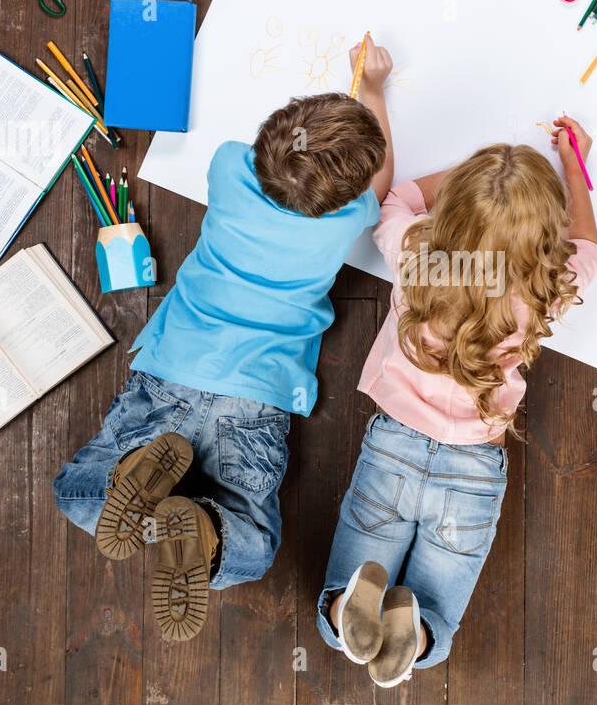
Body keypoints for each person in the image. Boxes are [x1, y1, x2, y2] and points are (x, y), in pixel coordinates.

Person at [54, 39, 395, 641]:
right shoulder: (349, 217)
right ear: (346, 198)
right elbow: (384, 177)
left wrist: (333, 113)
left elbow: (294, 153)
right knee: (250, 547)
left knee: (80, 495)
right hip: (255, 400)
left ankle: (158, 496)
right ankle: (201, 528)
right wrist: (372, 88)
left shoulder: (230, 164)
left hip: (175, 371)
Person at [316, 118, 597, 685]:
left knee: (343, 593)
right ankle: (415, 635)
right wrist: (571, 165)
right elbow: (589, 245)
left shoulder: (418, 254)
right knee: (439, 614)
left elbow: (398, 195)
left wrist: (481, 176)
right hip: (473, 467)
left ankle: (350, 610)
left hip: (392, 448)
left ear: (452, 213)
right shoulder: (551, 281)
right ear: (547, 232)